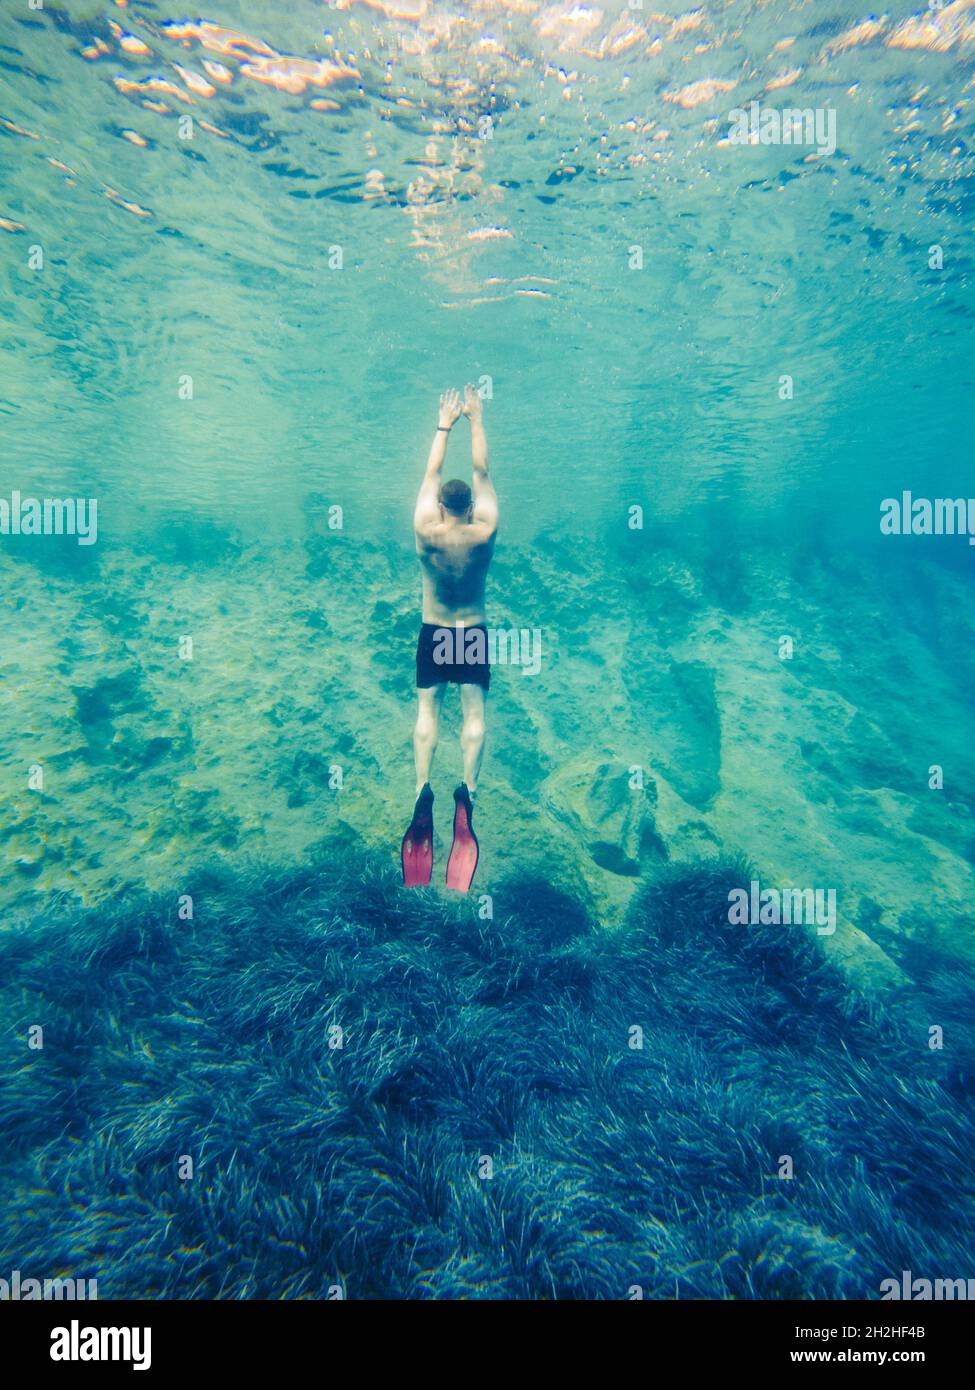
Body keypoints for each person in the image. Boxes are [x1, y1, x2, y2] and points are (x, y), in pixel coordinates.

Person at [401, 384, 498, 891]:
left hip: (434, 630)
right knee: (474, 717)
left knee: (427, 716)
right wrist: (477, 419)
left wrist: (445, 423)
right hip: (472, 632)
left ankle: (422, 790)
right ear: (470, 507)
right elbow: (481, 473)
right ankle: (469, 791)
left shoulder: (425, 529)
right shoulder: (485, 532)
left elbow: (430, 474)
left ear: (440, 506)